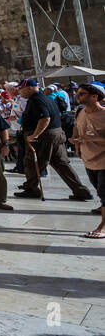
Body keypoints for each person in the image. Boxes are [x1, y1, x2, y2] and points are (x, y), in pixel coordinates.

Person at [14, 78, 93, 201]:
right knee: (62, 164)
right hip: (55, 133)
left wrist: (35, 135)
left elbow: (45, 119)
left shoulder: (36, 100)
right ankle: (80, 191)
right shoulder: (46, 98)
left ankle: (31, 189)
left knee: (32, 163)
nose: (19, 92)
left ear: (29, 88)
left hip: (44, 136)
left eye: (21, 89)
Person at [73, 82, 105, 239]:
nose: (77, 96)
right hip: (88, 158)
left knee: (104, 193)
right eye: (77, 93)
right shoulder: (80, 112)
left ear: (95, 96)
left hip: (104, 159)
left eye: (81, 93)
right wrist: (77, 145)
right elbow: (77, 128)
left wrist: (92, 138)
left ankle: (103, 227)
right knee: (100, 191)